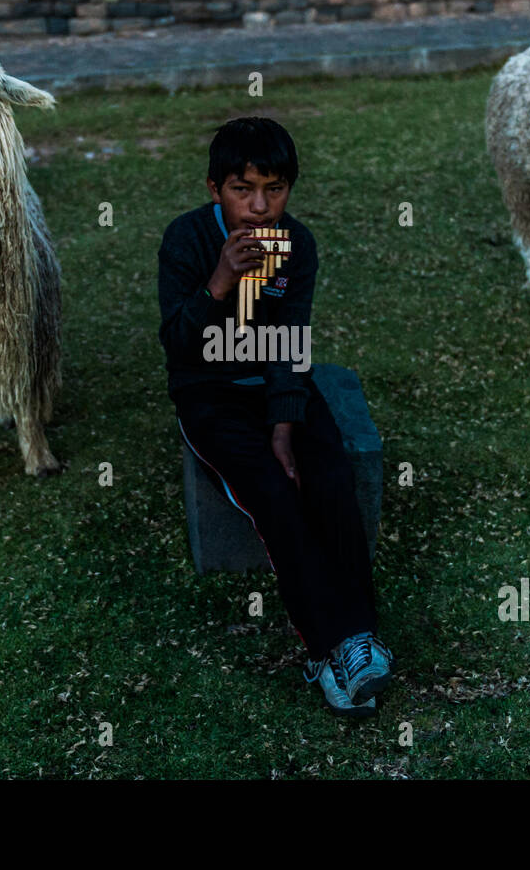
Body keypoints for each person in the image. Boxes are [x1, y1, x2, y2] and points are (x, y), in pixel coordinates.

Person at [156, 116, 392, 717]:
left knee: (331, 480)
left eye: (276, 189)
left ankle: (358, 640)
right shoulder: (186, 240)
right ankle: (327, 650)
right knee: (272, 495)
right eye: (243, 190)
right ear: (214, 188)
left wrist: (286, 423)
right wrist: (219, 282)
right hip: (209, 392)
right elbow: (179, 347)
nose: (260, 207)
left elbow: (291, 337)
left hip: (277, 386)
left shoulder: (298, 243)